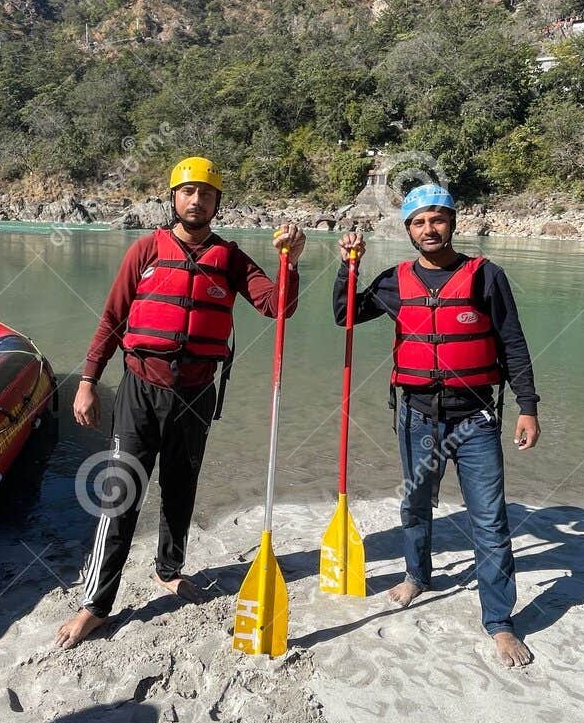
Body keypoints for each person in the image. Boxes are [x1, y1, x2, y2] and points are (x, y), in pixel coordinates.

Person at [59, 157, 305, 649]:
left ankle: (169, 569)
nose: (197, 201)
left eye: (207, 194)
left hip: (196, 392)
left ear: (217, 203)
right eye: (188, 191)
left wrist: (291, 264)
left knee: (181, 485)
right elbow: (111, 319)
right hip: (139, 388)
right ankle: (96, 604)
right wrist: (88, 380)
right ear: (173, 197)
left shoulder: (231, 258)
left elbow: (277, 306)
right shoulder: (146, 249)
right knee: (121, 493)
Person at [333, 185, 542, 669]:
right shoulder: (393, 281)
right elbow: (344, 315)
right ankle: (417, 576)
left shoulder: (486, 276)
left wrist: (527, 407)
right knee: (415, 503)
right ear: (407, 229)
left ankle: (500, 623)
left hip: (476, 419)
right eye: (419, 222)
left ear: (453, 221)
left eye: (438, 219)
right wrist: (348, 267)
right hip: (417, 414)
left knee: (489, 519)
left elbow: (513, 344)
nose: (430, 229)